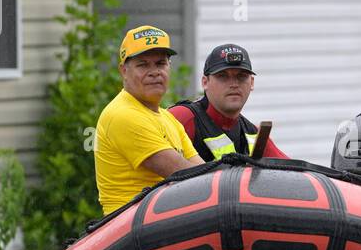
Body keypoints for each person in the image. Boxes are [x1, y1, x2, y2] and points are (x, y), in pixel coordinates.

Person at [94, 25, 199, 214]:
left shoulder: (168, 118)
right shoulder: (122, 115)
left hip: (157, 221)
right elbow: (187, 176)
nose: (154, 72)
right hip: (127, 229)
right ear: (124, 71)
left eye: (160, 63)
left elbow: (204, 172)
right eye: (143, 64)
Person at [169, 43, 288, 161]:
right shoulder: (182, 117)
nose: (234, 84)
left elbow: (293, 171)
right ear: (205, 82)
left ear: (251, 83)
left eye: (241, 76)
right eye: (222, 76)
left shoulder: (253, 134)